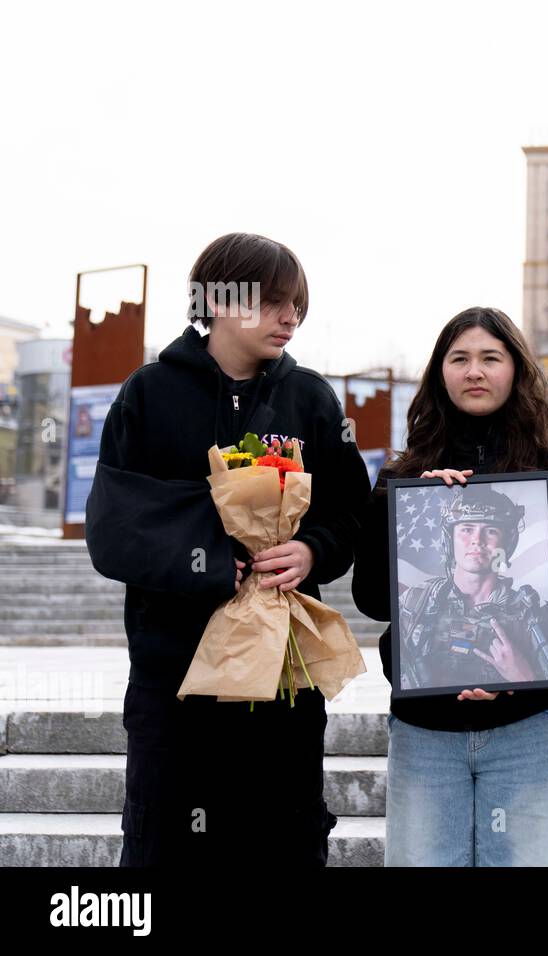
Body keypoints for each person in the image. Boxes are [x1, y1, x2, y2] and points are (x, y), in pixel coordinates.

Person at [85, 232, 372, 866]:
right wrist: (212, 555)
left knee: (283, 840)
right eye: (272, 301)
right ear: (217, 300)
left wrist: (312, 553)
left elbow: (352, 511)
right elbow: (113, 527)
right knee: (168, 842)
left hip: (283, 678)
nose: (289, 316)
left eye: (296, 303)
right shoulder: (148, 393)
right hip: (177, 678)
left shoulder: (311, 399)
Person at [351, 306, 548, 867]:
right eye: (460, 358)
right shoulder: (404, 477)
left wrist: (518, 670)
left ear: (516, 370)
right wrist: (402, 515)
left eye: (491, 358)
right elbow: (371, 597)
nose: (475, 371)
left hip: (526, 725)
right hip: (426, 730)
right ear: (439, 373)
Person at [396, 485, 548, 690]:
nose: (476, 541)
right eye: (467, 529)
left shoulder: (529, 616)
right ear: (449, 539)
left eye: (490, 531)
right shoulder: (416, 601)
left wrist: (524, 676)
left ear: (506, 543)